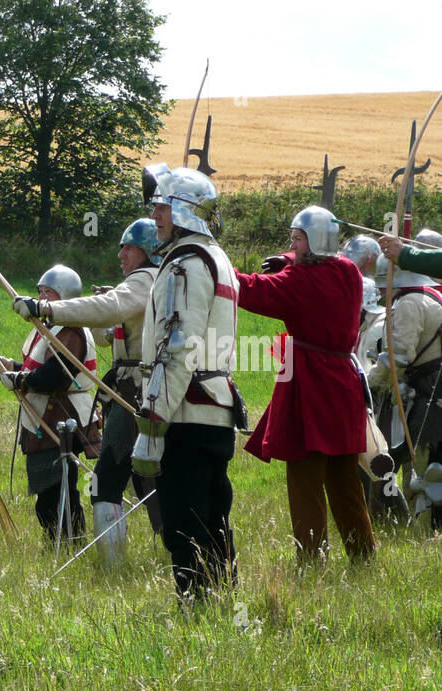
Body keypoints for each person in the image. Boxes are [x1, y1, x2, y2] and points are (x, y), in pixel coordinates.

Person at [236, 206, 374, 563]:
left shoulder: (298, 282)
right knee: (346, 480)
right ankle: (363, 557)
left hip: (309, 383)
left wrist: (214, 266)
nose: (291, 246)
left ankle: (312, 563)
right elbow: (323, 262)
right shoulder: (349, 272)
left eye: (297, 240)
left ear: (314, 244)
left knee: (304, 476)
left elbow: (250, 289)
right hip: (344, 383)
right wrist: (287, 257)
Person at [15, 222, 161, 559]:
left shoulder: (147, 280)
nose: (121, 254)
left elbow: (108, 307)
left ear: (147, 251)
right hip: (129, 394)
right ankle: (113, 567)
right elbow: (111, 324)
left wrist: (47, 309)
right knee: (113, 481)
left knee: (143, 479)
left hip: (147, 393)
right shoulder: (142, 284)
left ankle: (168, 548)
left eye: (129, 248)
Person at [133, 164, 242, 602]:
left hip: (187, 408)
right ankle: (222, 601)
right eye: (157, 204)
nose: (155, 213)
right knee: (213, 515)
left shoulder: (186, 263)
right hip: (213, 408)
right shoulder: (217, 258)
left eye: (164, 205)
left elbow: (175, 348)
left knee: (184, 517)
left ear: (185, 211)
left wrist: (153, 420)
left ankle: (196, 603)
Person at [3, 265, 98, 542]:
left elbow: (55, 376)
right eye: (41, 292)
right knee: (50, 492)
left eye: (49, 294)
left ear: (66, 298)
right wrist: (15, 368)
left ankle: (69, 540)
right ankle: (60, 539)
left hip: (62, 417)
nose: (42, 299)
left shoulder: (70, 330)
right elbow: (41, 368)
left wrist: (20, 379)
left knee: (58, 491)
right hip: (49, 415)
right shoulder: (51, 327)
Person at [373, 235, 442, 528]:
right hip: (431, 387)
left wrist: (366, 382)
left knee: (428, 466)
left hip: (430, 391)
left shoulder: (410, 303)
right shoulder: (430, 295)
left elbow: (397, 358)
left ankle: (427, 529)